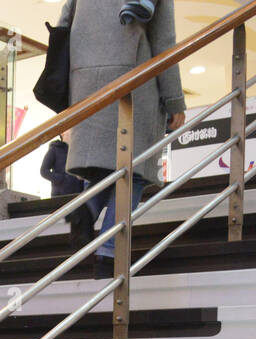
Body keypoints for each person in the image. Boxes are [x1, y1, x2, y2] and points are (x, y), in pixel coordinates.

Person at [57, 0, 186, 277]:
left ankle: (87, 209)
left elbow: (64, 22)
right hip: (134, 79)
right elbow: (163, 42)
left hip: (85, 82)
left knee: (104, 165)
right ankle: (109, 253)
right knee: (133, 170)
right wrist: (174, 101)